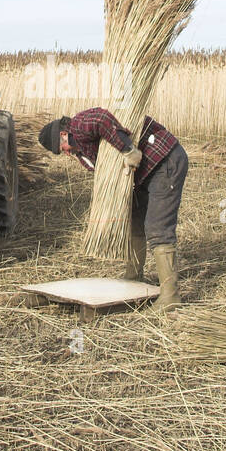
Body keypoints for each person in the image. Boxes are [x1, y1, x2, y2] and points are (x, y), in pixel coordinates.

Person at [38, 108, 188, 308]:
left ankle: (171, 296)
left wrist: (128, 150)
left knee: (157, 228)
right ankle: (134, 278)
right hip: (143, 175)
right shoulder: (82, 154)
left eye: (61, 147)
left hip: (163, 161)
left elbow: (101, 119)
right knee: (135, 224)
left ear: (63, 134)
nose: (65, 152)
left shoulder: (79, 125)